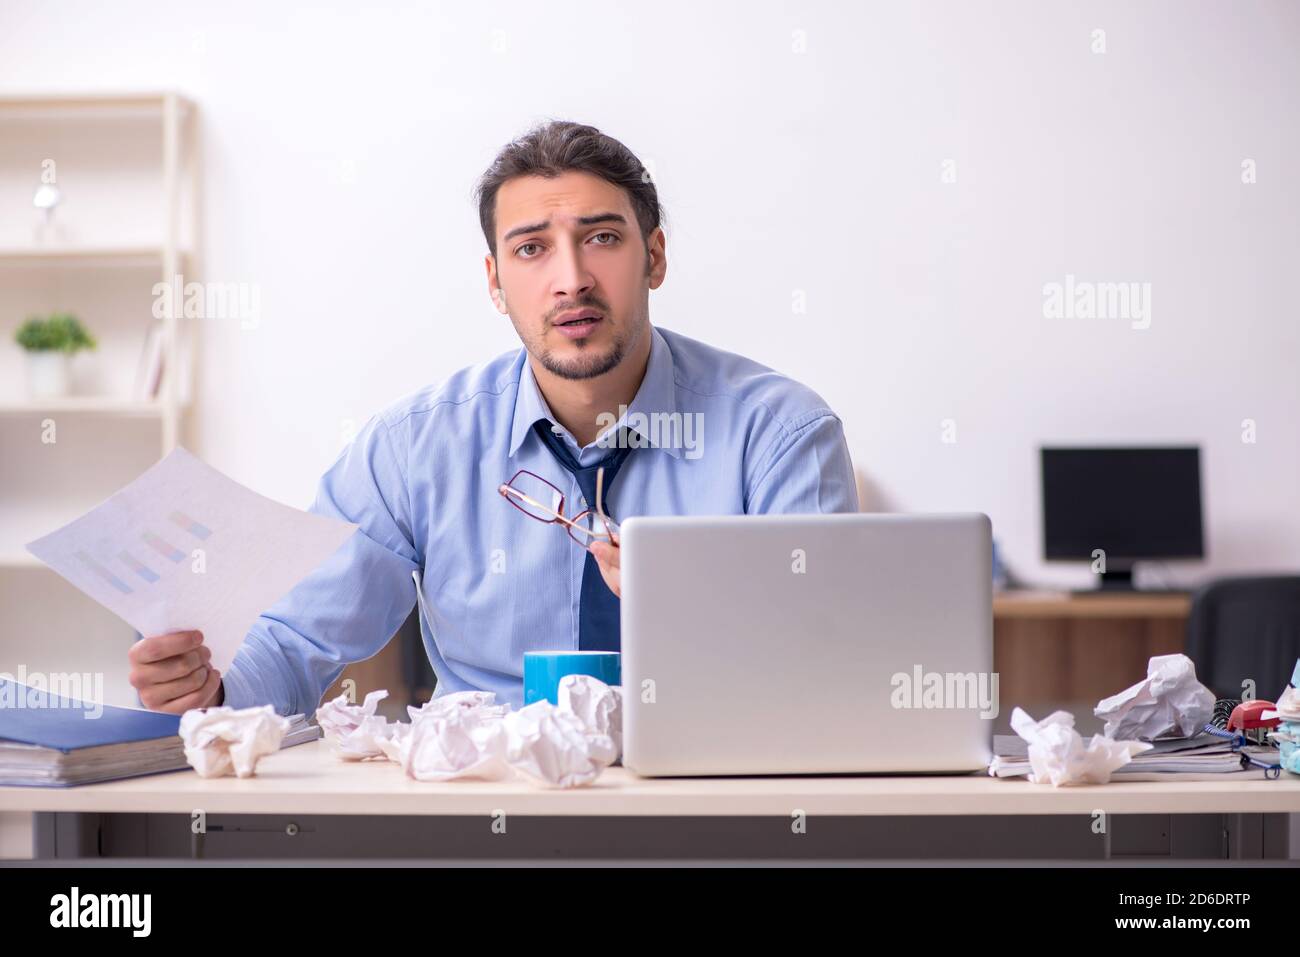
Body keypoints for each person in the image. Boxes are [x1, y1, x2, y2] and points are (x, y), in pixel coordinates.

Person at [129, 120, 859, 715]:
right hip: (489, 818)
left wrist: (694, 601)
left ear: (654, 257)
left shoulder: (781, 434)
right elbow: (294, 639)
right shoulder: (414, 447)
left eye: (602, 237)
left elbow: (830, 674)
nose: (571, 278)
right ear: (496, 282)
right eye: (532, 248)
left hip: (713, 809)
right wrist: (211, 686)